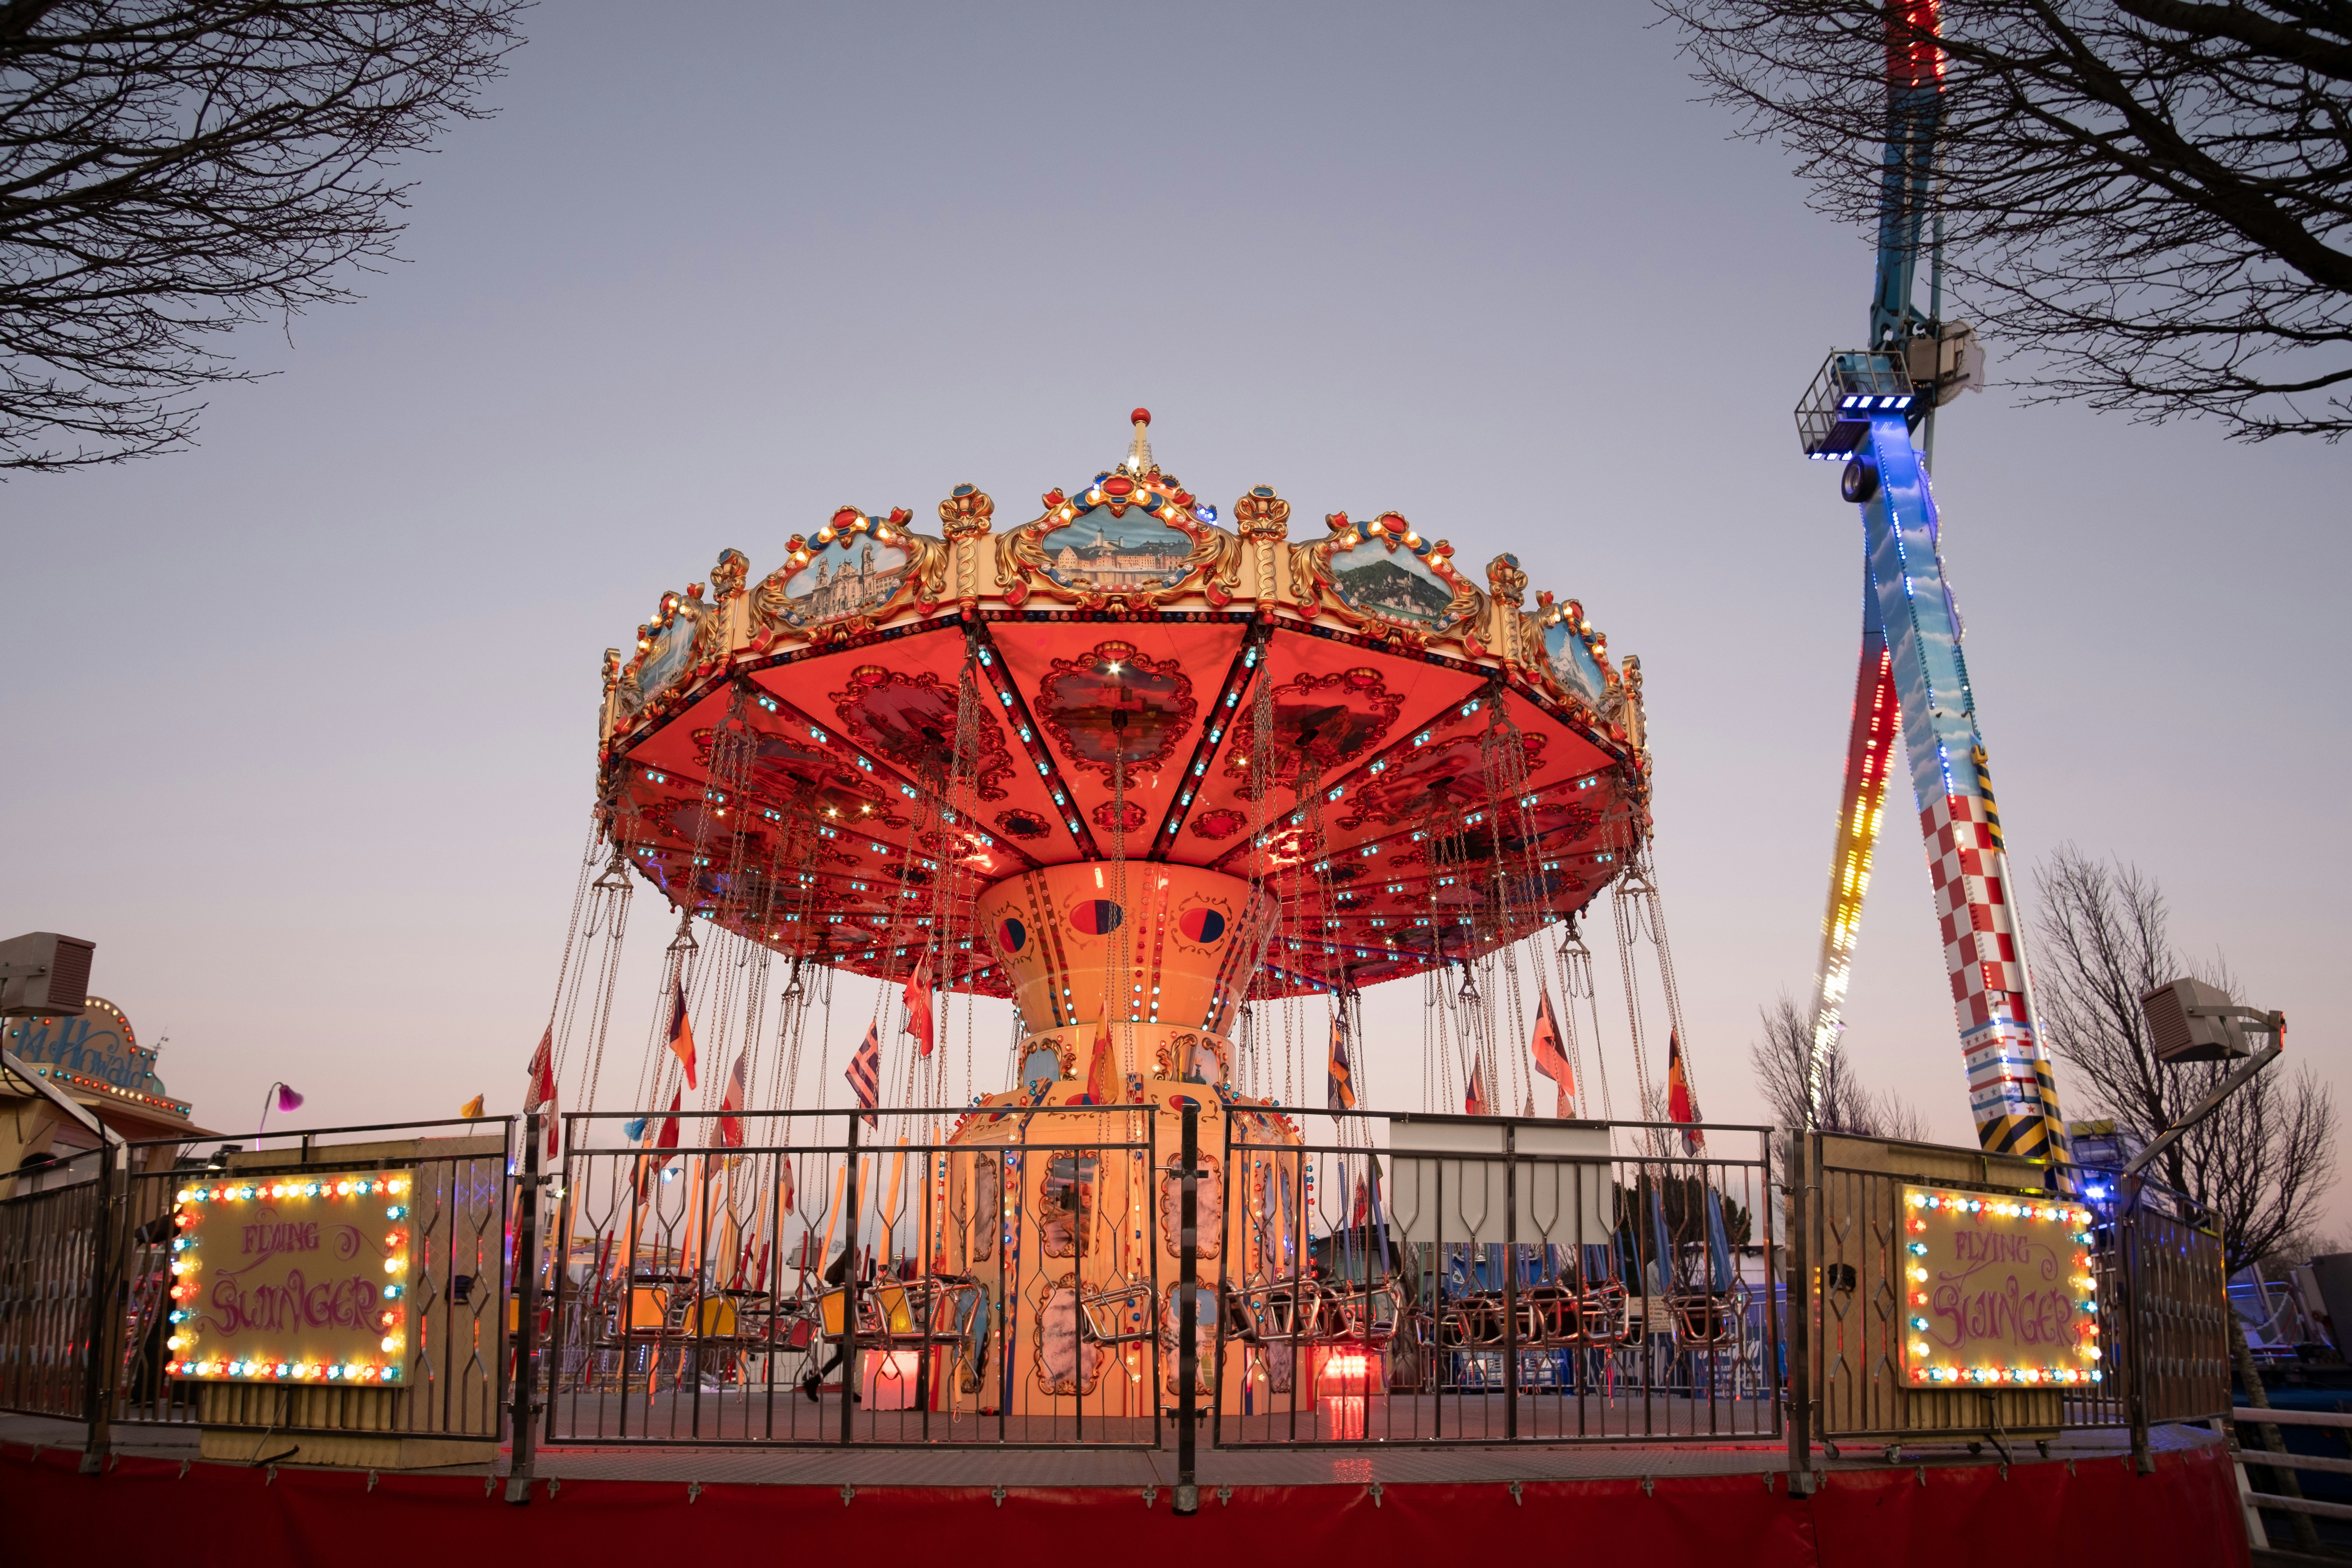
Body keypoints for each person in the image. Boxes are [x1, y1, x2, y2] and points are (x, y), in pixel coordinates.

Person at [801, 1246, 862, 1403]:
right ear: (852, 1262)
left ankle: (816, 1383)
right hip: (845, 1324)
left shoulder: (838, 1282)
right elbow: (848, 1302)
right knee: (848, 1355)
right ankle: (842, 1389)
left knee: (843, 1356)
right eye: (859, 1260)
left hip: (837, 1324)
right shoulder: (847, 1283)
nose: (861, 1263)